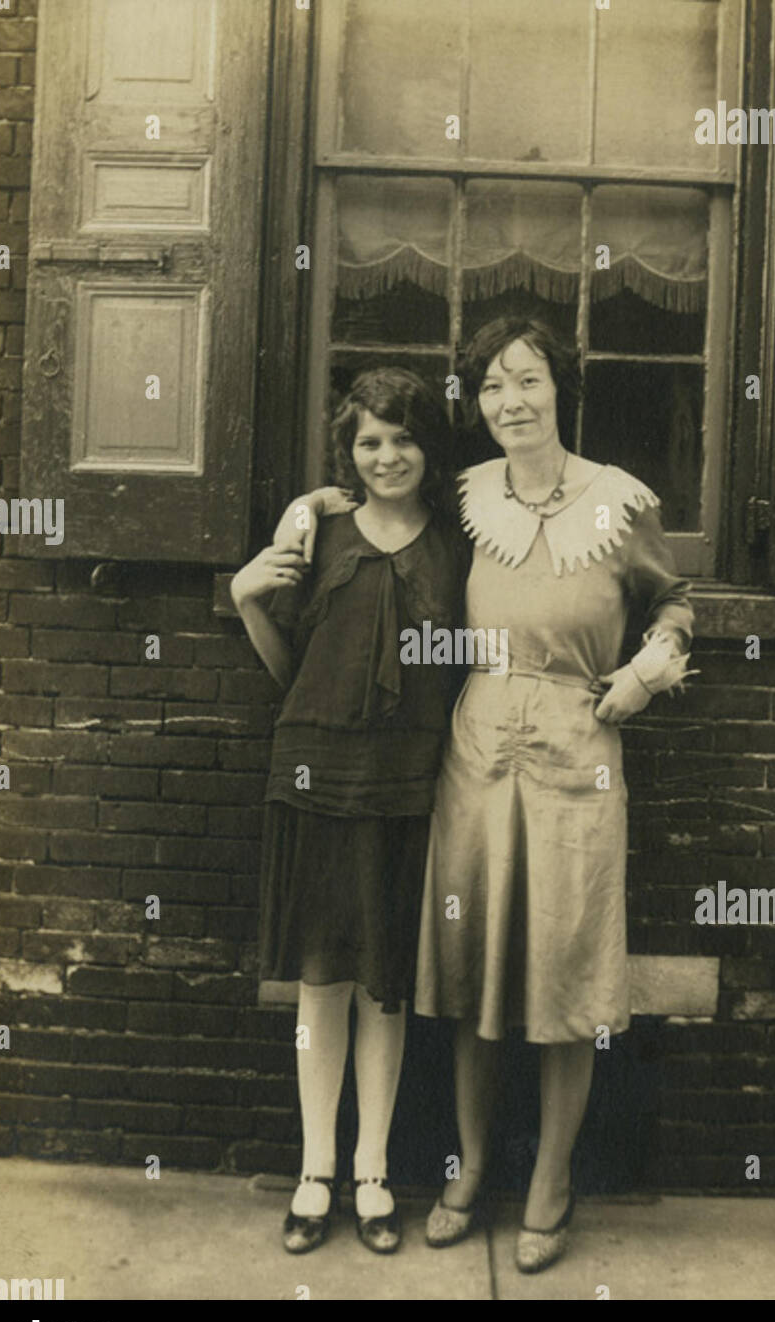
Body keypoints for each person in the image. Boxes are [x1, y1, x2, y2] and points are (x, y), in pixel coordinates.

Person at [414, 317, 696, 1274]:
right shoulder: (465, 498)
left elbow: (673, 605)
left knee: (565, 970)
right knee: (473, 966)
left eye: (527, 381)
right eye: (492, 388)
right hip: (479, 747)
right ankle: (471, 1166)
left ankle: (551, 1183)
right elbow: (386, 523)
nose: (511, 403)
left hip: (582, 748)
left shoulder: (619, 503)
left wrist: (647, 675)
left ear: (559, 389)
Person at [231, 367, 465, 1256]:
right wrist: (246, 598)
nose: (387, 455)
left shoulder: (455, 541)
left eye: (404, 438)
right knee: (321, 980)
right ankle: (314, 1171)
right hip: (316, 771)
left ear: (427, 447)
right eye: (370, 440)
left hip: (409, 780)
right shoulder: (316, 527)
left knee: (385, 981)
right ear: (349, 449)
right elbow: (286, 660)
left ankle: (373, 1174)